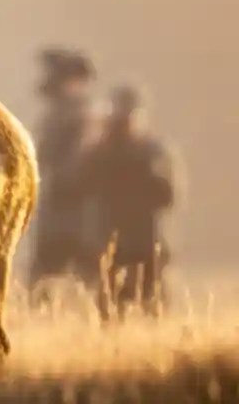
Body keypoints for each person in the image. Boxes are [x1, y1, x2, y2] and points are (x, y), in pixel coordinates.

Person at [78, 84, 181, 321]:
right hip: (116, 246)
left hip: (143, 245)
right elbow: (78, 184)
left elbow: (168, 196)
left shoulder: (151, 151)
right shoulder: (102, 151)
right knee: (112, 313)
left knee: (152, 311)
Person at [27, 47, 104, 294]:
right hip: (61, 208)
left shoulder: (82, 116)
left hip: (76, 212)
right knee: (46, 278)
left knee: (83, 276)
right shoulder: (65, 115)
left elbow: (78, 166)